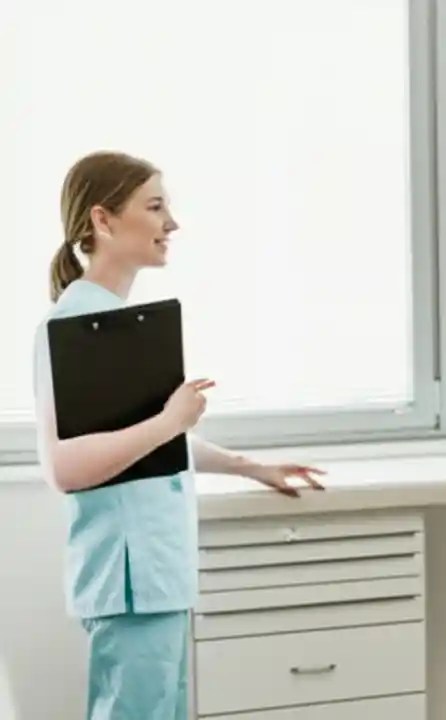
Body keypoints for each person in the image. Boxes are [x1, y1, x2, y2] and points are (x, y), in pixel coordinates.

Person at [33, 151, 328, 719]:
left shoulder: (113, 322)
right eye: (155, 206)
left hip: (154, 579)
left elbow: (143, 445)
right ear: (103, 220)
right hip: (131, 584)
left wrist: (248, 465)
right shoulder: (73, 327)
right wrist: (171, 419)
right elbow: (65, 468)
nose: (172, 222)